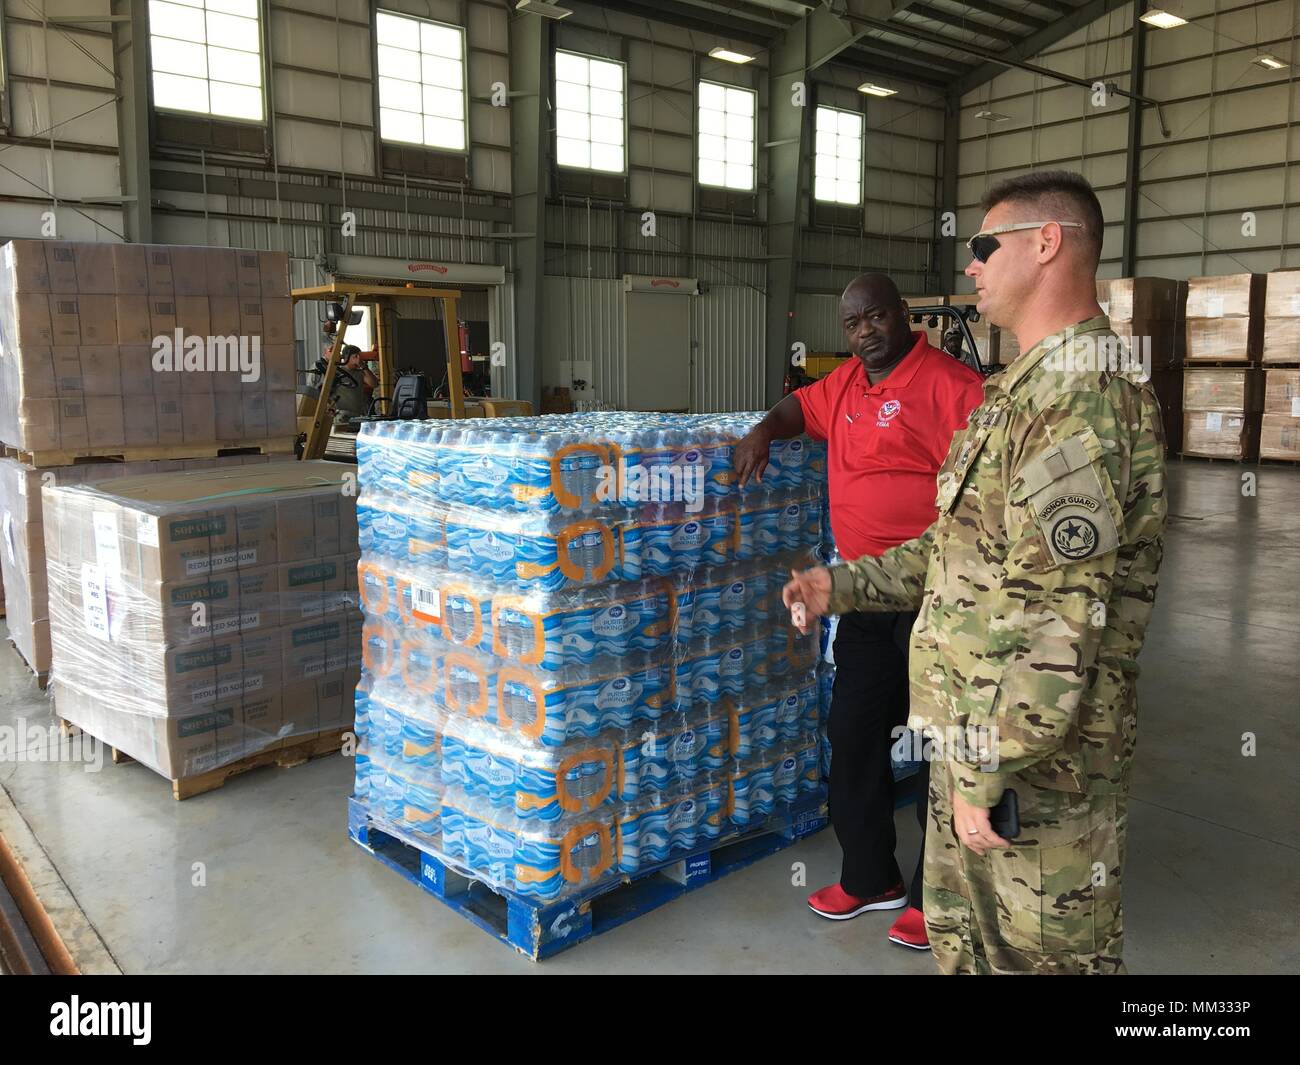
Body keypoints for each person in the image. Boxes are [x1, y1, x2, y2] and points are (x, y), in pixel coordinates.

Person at [781, 171, 1167, 974]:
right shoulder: (1019, 391)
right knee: (971, 953)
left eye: (985, 246)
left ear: (1047, 243)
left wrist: (987, 766)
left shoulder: (1081, 400)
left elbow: (1056, 616)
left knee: (1037, 958)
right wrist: (837, 585)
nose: (972, 265)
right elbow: (956, 551)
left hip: (1037, 776)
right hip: (978, 750)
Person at [733, 273, 983, 949]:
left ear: (904, 315)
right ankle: (871, 877)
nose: (865, 331)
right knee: (854, 732)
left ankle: (938, 898)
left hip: (939, 599)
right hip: (865, 596)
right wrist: (763, 430)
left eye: (876, 317)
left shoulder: (955, 388)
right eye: (852, 323)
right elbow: (796, 408)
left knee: (940, 747)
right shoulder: (844, 384)